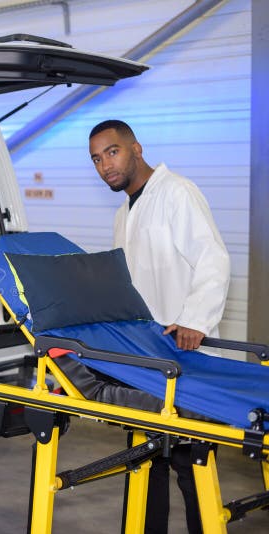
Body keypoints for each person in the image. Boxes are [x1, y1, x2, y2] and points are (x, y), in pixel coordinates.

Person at [89, 119, 230, 534]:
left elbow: (213, 259)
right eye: (96, 160)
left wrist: (194, 320)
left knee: (192, 470)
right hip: (144, 363)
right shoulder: (123, 214)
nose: (105, 166)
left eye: (112, 152)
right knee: (145, 467)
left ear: (136, 148)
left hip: (186, 359)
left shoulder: (176, 193)